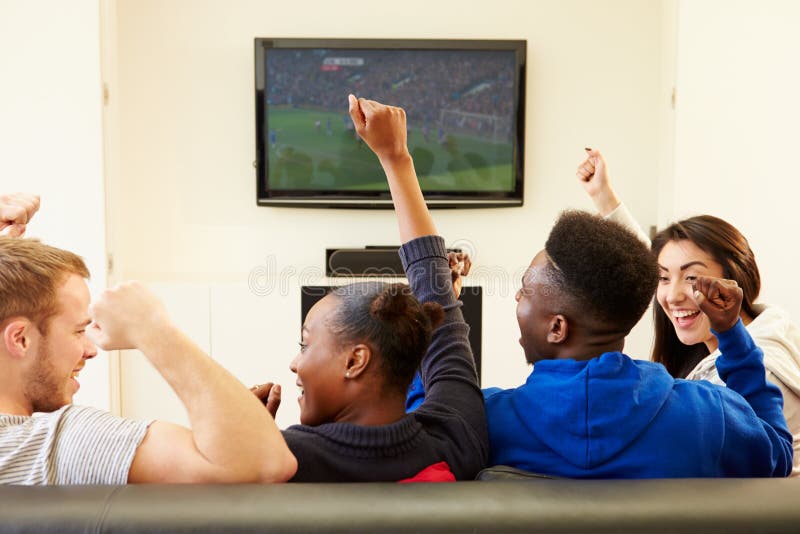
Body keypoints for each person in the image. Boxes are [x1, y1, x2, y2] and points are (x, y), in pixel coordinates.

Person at [407, 209, 791, 477]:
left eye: (524, 291)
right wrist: (733, 339)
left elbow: (421, 428)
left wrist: (429, 334)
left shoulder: (486, 422)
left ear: (558, 328)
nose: (517, 300)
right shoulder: (707, 417)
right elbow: (778, 449)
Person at [252, 95, 488, 482]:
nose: (294, 363)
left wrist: (246, 436)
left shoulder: (282, 460)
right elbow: (438, 310)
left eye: (305, 344)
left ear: (355, 360)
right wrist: (397, 157)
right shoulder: (459, 435)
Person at [0, 196, 297, 485]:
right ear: (21, 339)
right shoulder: (59, 444)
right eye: (78, 331)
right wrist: (152, 328)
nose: (90, 350)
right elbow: (268, 463)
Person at [577, 148, 800, 476]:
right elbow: (657, 265)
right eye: (664, 279)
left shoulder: (760, 371)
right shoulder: (765, 325)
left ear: (734, 282)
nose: (672, 295)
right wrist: (604, 198)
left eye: (692, 278)